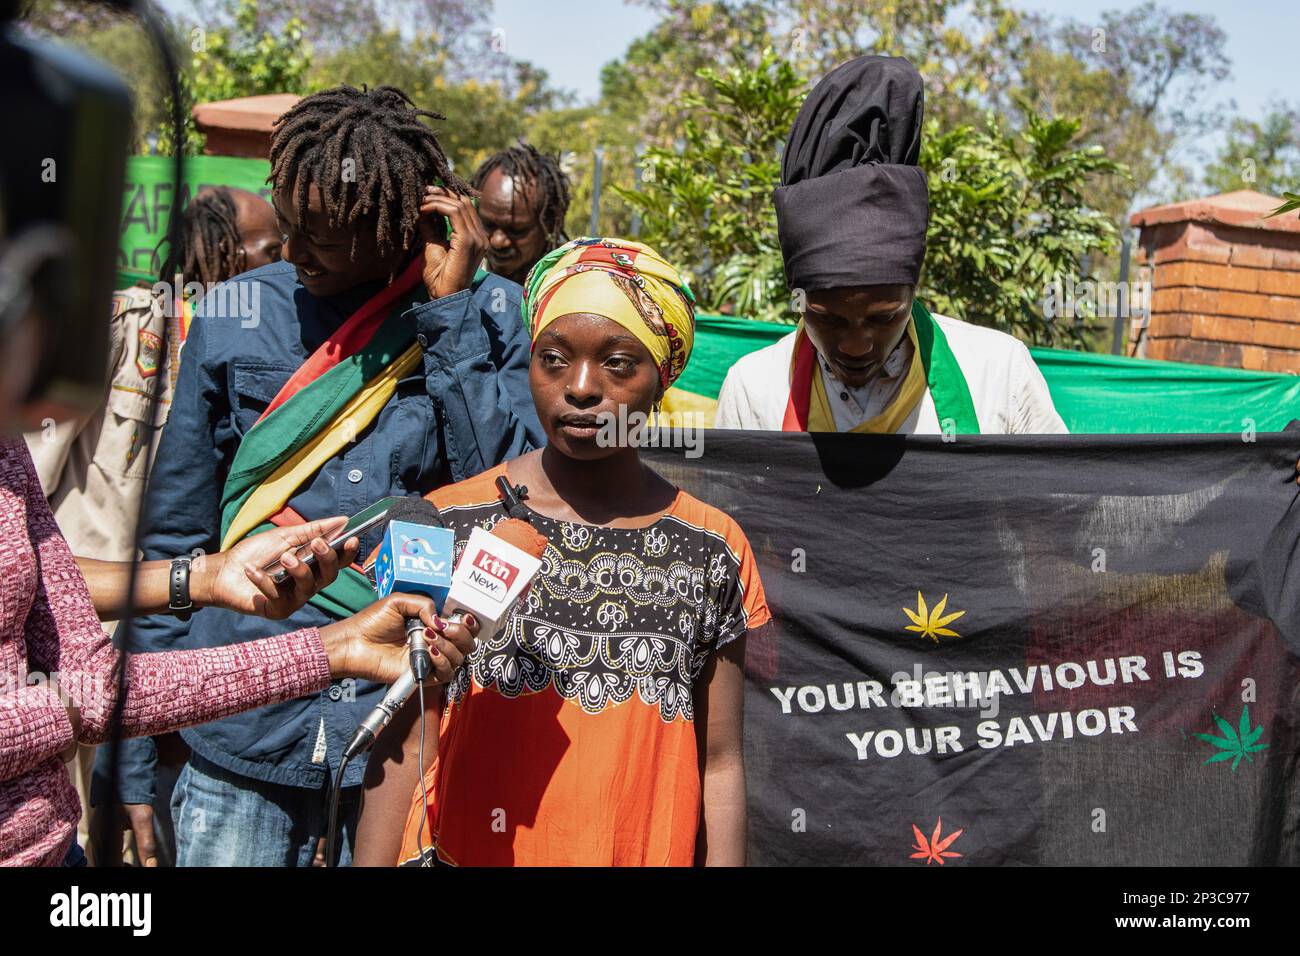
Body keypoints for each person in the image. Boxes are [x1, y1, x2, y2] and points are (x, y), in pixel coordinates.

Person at [94, 84, 544, 867]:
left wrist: (447, 320)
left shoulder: (491, 316)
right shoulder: (238, 312)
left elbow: (507, 497)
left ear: (399, 226)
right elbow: (175, 535)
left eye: (324, 239)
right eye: (290, 228)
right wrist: (133, 749)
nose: (295, 252)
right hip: (243, 720)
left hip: (403, 729)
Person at [355, 237, 770, 867]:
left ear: (664, 377)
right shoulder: (451, 522)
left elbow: (720, 763)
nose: (580, 388)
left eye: (619, 364)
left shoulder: (713, 547)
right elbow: (407, 734)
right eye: (554, 359)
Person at [24, 185, 281, 864]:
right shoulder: (128, 327)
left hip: (177, 623)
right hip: (81, 625)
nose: (284, 263)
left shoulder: (254, 350)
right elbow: (30, 470)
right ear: (224, 253)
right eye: (271, 249)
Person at [714, 56, 1067, 436]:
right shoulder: (753, 391)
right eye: (828, 318)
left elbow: (1060, 495)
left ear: (914, 288)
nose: (855, 346)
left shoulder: (999, 378)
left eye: (883, 318)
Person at [471, 142, 571, 286]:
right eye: (489, 225)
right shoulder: (460, 276)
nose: (497, 241)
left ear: (548, 225)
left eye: (516, 230)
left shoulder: (568, 286)